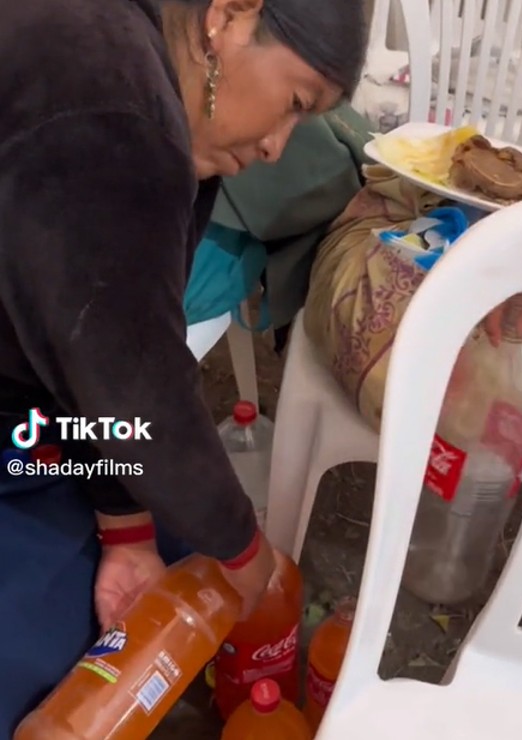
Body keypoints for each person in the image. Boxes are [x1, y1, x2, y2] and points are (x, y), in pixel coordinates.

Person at [0, 0, 369, 730]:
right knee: (43, 647)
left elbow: (85, 335)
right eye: (294, 102)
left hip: (25, 407)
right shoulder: (110, 101)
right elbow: (133, 372)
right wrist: (241, 544)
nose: (277, 147)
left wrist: (126, 526)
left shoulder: (138, 68)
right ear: (230, 16)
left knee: (165, 560)